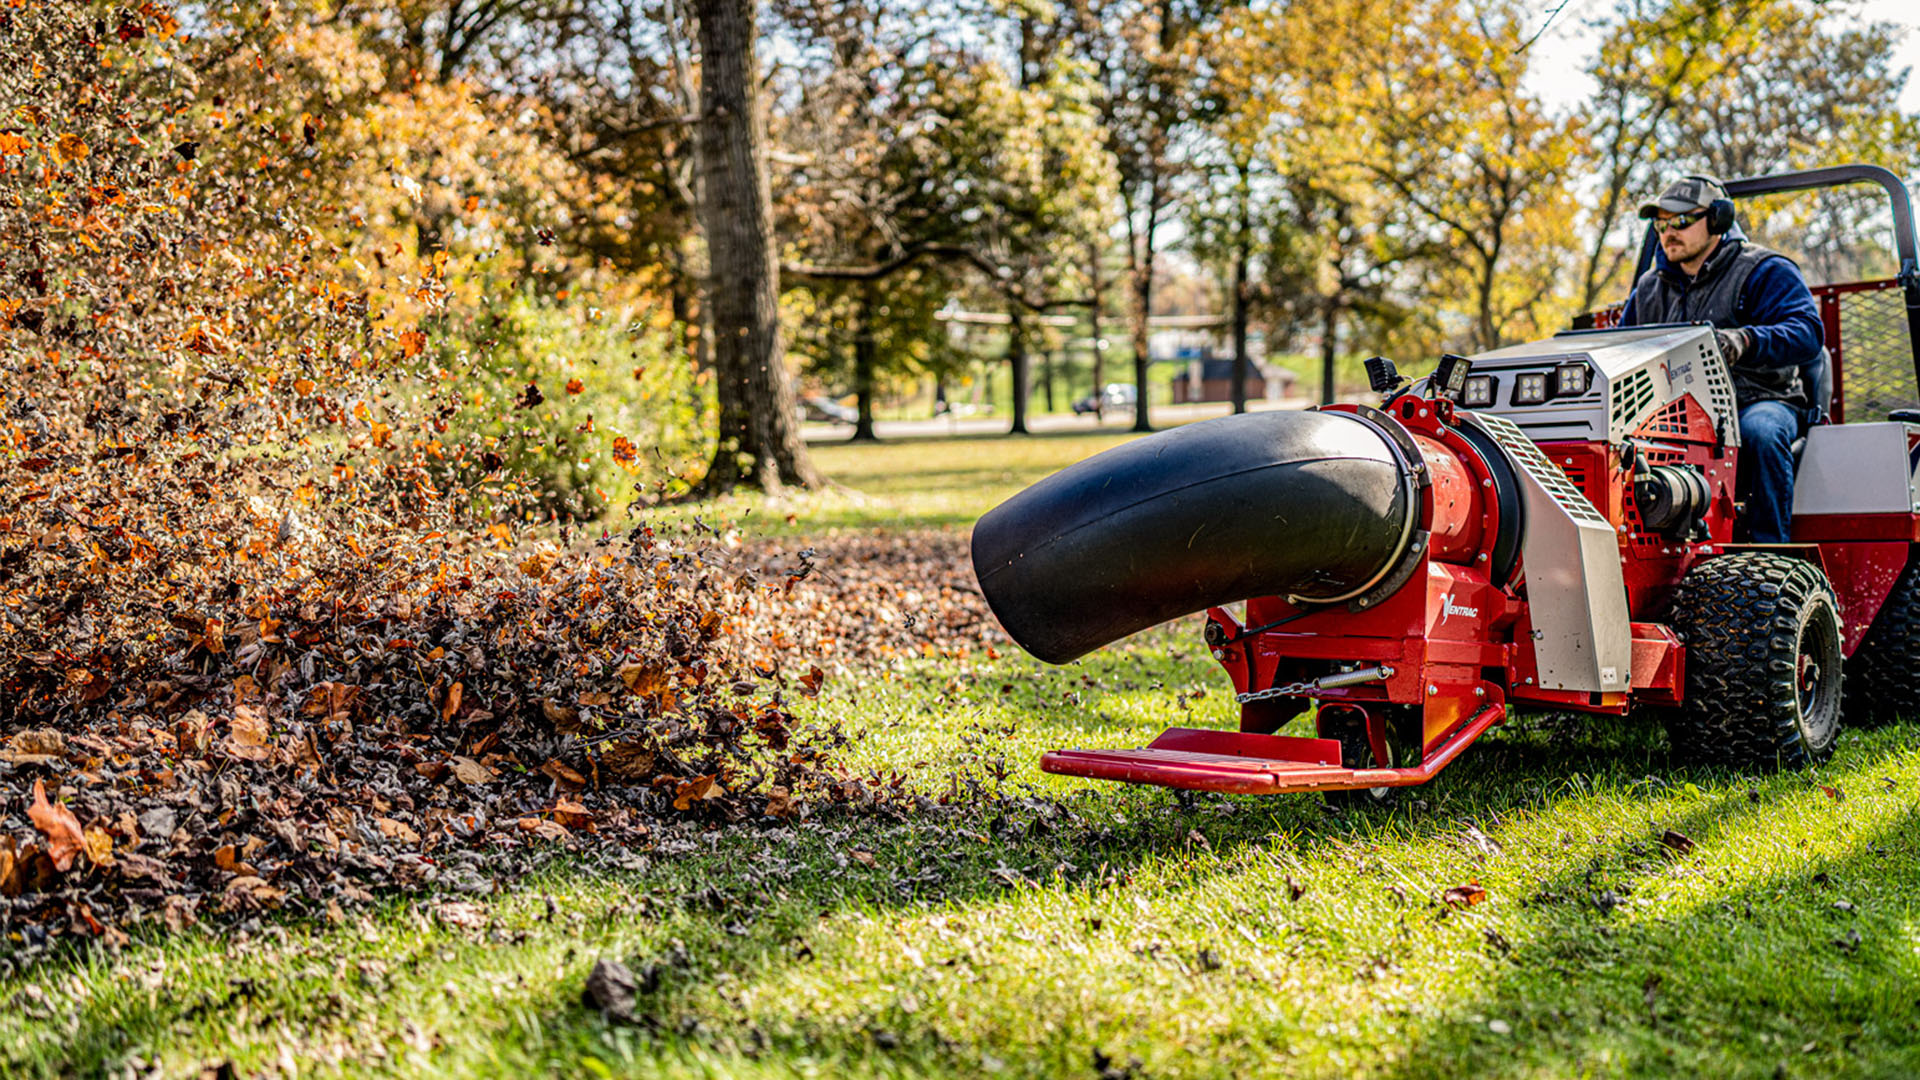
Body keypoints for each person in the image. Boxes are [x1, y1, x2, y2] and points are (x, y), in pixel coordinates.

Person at [1619, 174, 1824, 544]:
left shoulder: (1764, 271)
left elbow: (1808, 333)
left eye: (1681, 221)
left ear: (1718, 220)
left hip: (1758, 400)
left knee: (1762, 434)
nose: (1669, 232)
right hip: (1671, 413)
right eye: (1661, 224)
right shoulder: (1649, 289)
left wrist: (1745, 340)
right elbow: (1618, 346)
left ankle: (1770, 557)